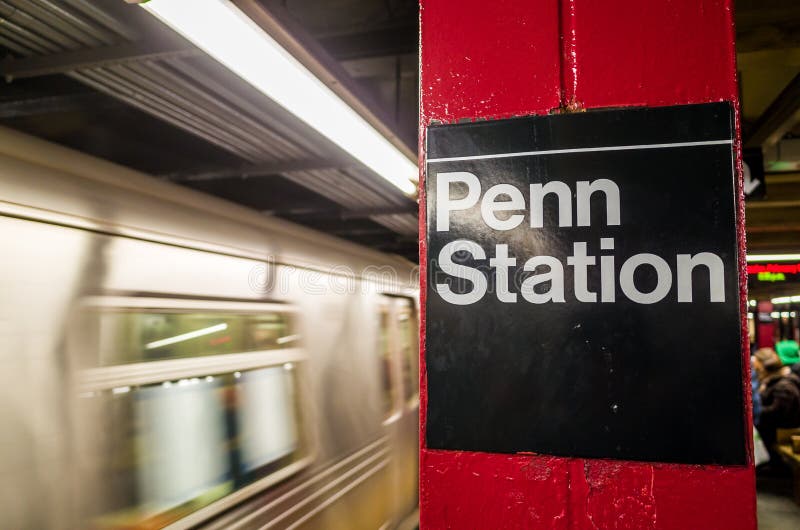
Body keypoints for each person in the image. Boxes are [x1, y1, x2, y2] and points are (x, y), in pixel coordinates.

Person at [753, 348, 800, 451]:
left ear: (764, 369)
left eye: (757, 369)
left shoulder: (784, 387)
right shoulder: (773, 381)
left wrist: (754, 410)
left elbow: (777, 412)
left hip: (780, 436)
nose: (756, 372)